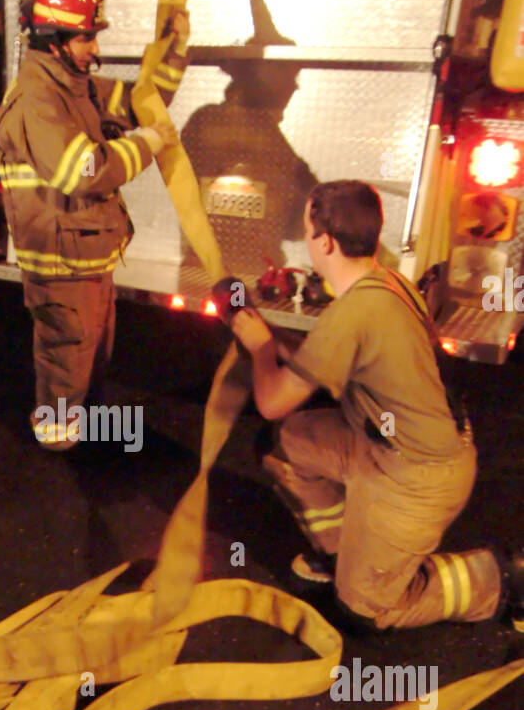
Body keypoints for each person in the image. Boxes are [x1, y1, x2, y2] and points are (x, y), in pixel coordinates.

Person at [222, 178, 524, 630]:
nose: (305, 238)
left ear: (323, 242)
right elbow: (316, 359)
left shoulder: (353, 313)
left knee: (365, 612)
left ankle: (500, 578)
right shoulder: (385, 283)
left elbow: (270, 402)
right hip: (382, 447)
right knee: (281, 447)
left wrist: (260, 347)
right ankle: (341, 551)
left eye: (306, 229)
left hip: (416, 479)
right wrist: (264, 328)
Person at [0, 0, 189, 450]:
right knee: (68, 354)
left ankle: (85, 431)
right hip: (60, 261)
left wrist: (173, 53)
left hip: (84, 252)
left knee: (93, 352)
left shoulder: (73, 86)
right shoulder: (39, 100)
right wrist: (145, 145)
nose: (94, 49)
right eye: (85, 38)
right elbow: (83, 172)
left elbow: (144, 104)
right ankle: (57, 448)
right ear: (52, 38)